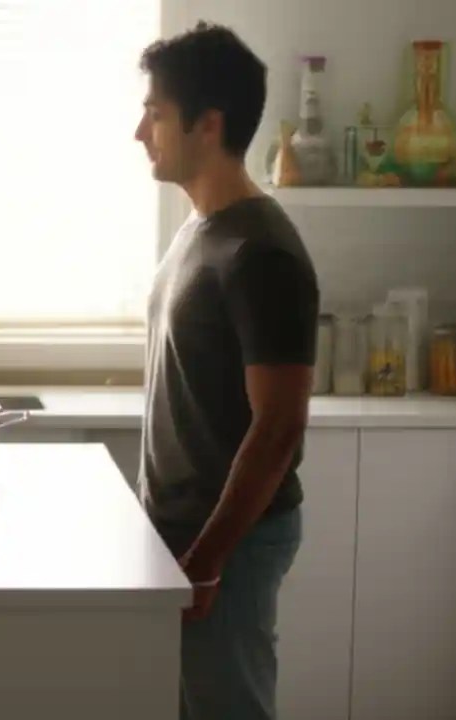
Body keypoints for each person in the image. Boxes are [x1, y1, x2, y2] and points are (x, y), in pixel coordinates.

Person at [134, 22, 320, 720]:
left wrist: (209, 557)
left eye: (155, 113)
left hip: (229, 540)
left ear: (207, 124)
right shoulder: (200, 231)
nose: (139, 131)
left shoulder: (260, 252)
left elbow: (278, 427)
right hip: (187, 529)